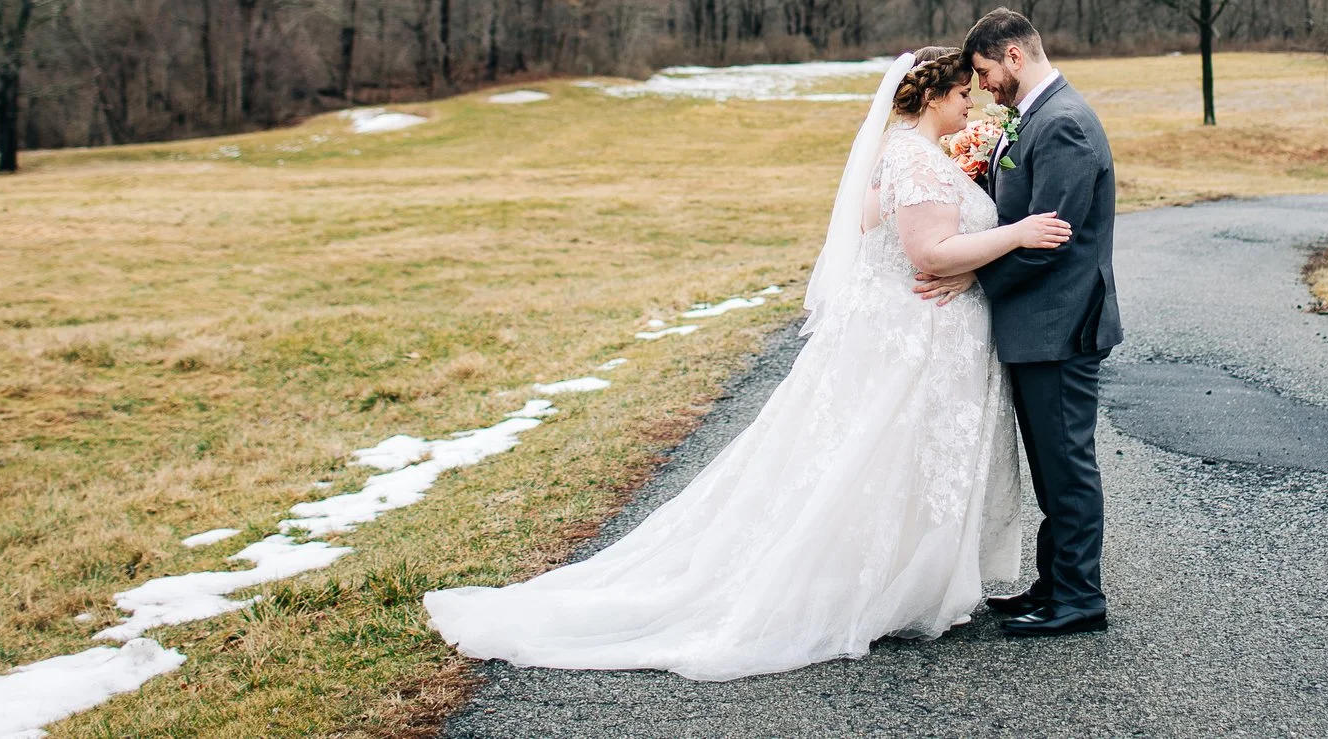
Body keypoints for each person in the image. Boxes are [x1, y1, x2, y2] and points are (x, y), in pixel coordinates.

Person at [422, 46, 1072, 680]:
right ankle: (882, 586)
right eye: (963, 94)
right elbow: (929, 251)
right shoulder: (917, 159)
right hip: (913, 343)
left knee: (873, 459)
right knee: (881, 457)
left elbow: (884, 230)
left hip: (900, 334)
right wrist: (1012, 235)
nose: (970, 105)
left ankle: (890, 576)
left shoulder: (903, 153)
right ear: (933, 95)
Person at [927, 7, 1121, 637]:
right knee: (1050, 464)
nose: (982, 86)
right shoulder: (1037, 115)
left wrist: (971, 276)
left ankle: (1080, 598)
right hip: (1040, 325)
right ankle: (1055, 583)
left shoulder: (1062, 124)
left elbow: (1051, 241)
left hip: (1059, 326)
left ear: (1013, 55)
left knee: (1066, 464)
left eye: (984, 71)